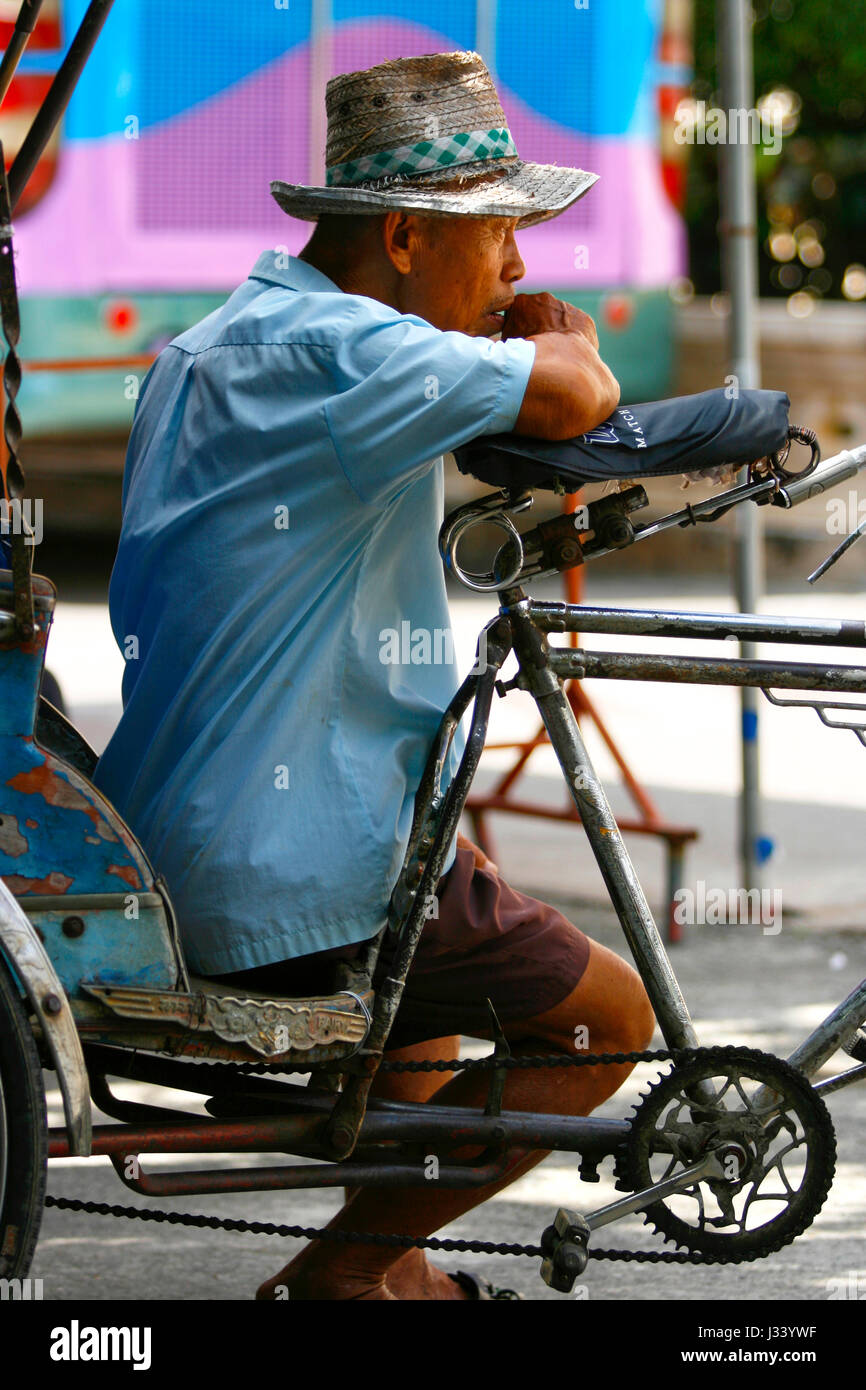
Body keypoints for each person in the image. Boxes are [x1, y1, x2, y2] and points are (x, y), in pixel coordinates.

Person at [92, 49, 655, 1300]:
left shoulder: (224, 341)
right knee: (606, 1023)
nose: (517, 271)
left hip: (184, 838)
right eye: (501, 236)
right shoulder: (348, 355)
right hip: (279, 867)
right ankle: (340, 1278)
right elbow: (573, 388)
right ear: (403, 235)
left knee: (434, 914)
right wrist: (562, 342)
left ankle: (393, 1277)